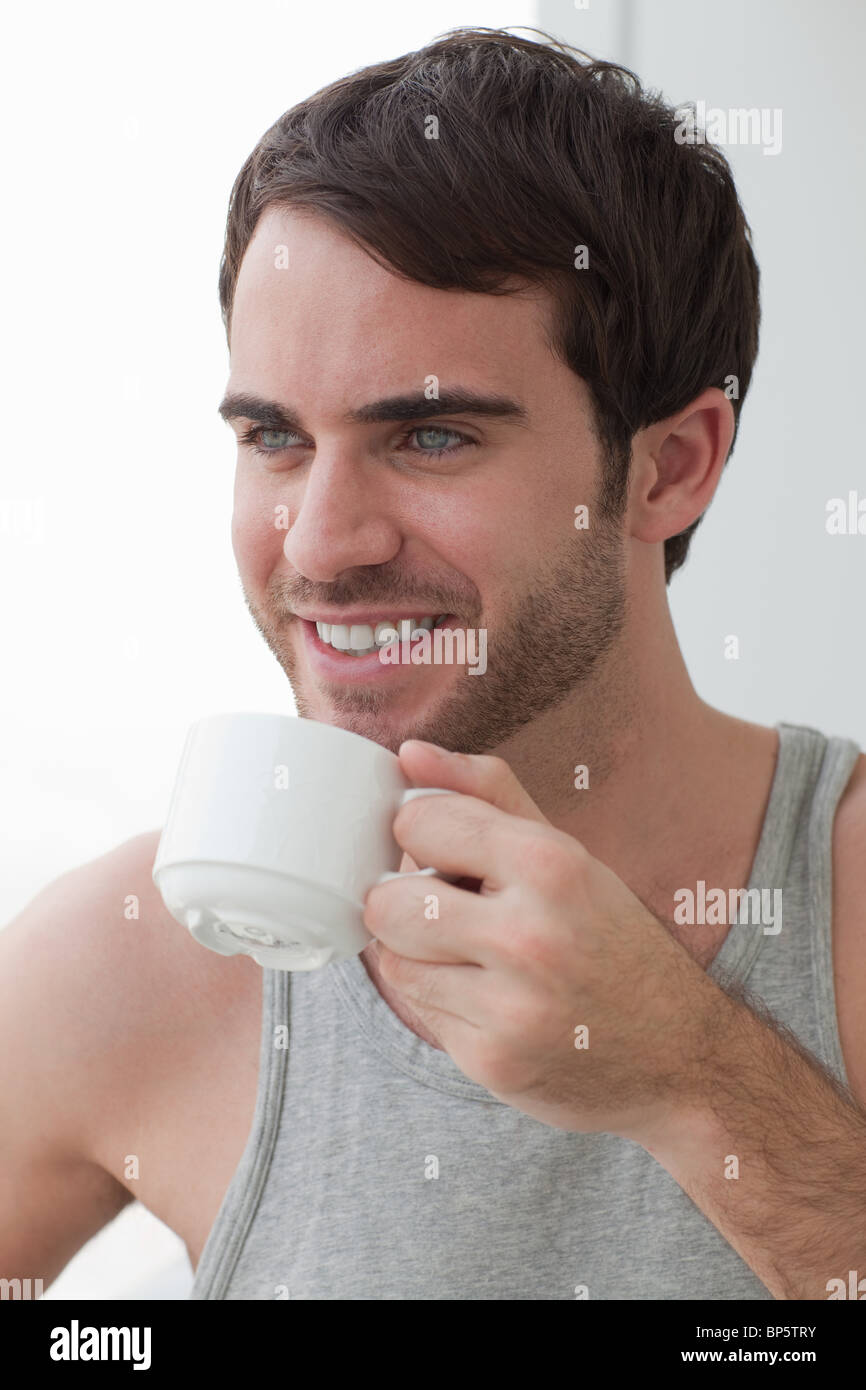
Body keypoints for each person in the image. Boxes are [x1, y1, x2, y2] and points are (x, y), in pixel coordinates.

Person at [2, 27, 864, 1302]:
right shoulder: (131, 965)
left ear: (670, 468)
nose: (319, 543)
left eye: (431, 436)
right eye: (276, 439)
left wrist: (686, 1073)